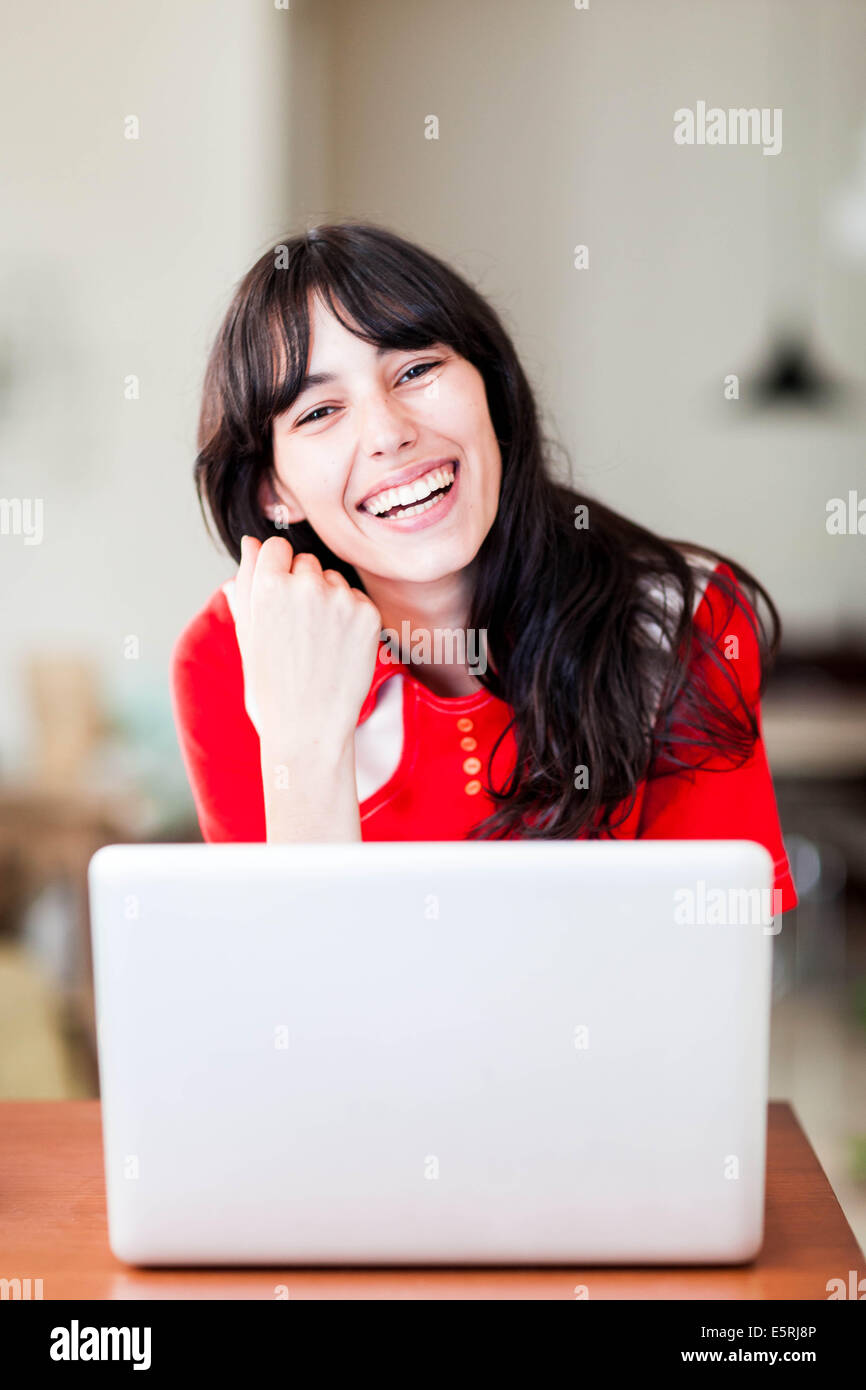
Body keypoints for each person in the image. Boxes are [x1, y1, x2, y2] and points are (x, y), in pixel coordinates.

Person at [171, 222, 797, 913]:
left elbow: (710, 974)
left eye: (415, 370)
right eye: (319, 411)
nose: (388, 433)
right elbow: (290, 997)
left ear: (490, 390)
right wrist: (301, 744)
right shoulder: (232, 654)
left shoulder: (679, 612)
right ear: (273, 491)